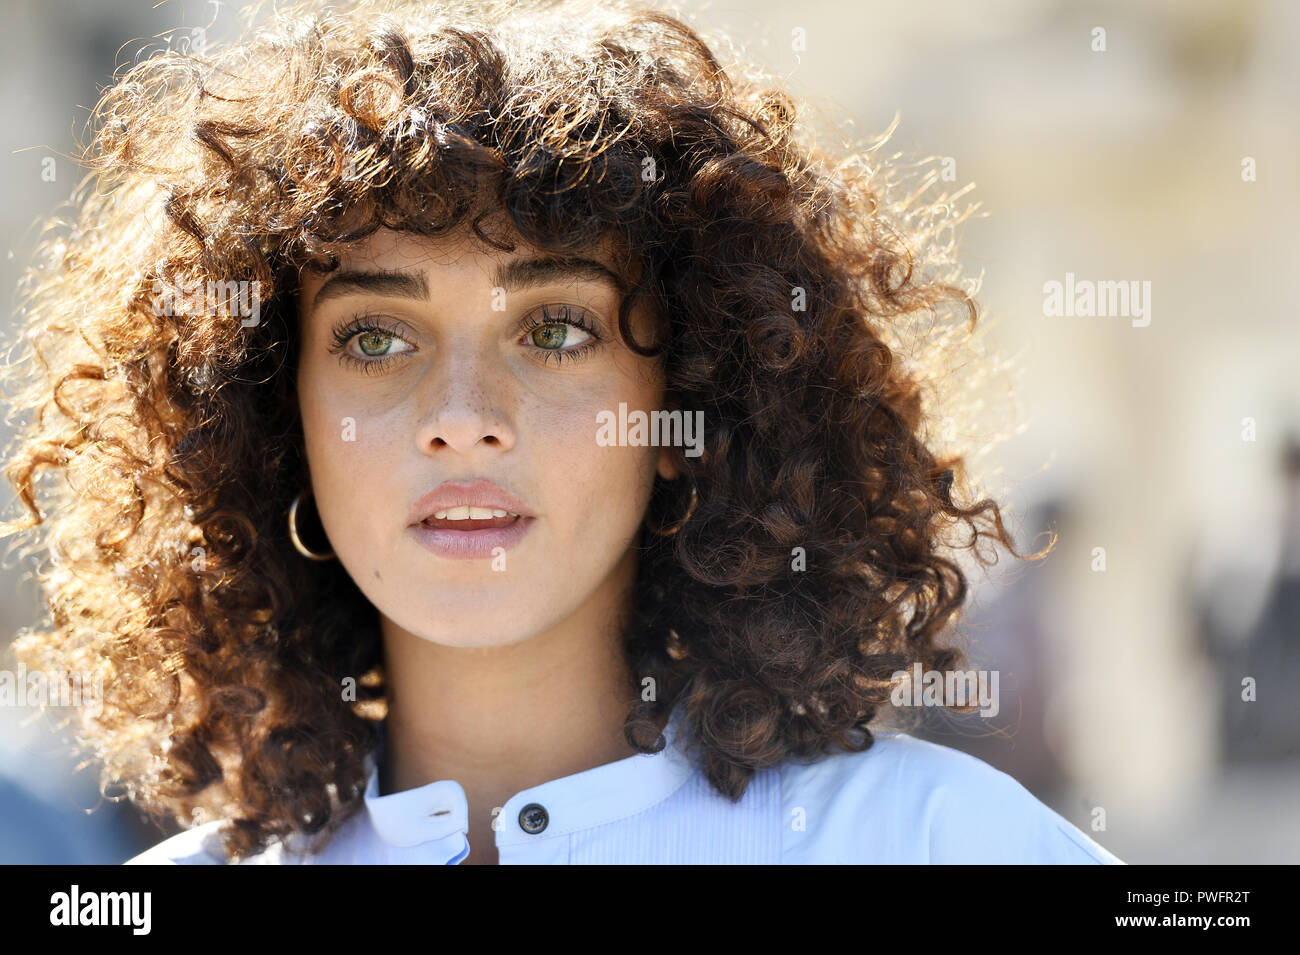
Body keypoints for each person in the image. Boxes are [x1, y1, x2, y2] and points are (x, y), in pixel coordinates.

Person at [0, 0, 1122, 865]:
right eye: (377, 340)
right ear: (271, 417)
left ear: (684, 409)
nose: (461, 421)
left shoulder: (930, 844)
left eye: (554, 328)